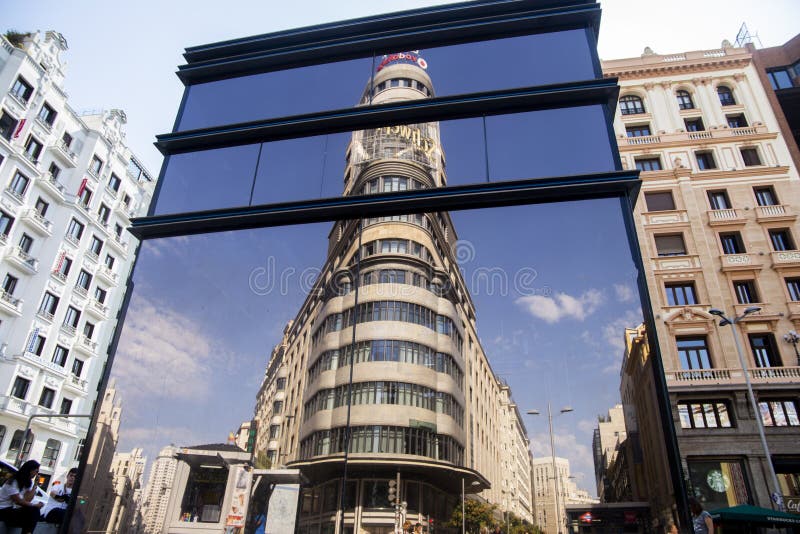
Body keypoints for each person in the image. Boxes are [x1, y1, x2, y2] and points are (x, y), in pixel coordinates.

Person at [0, 459, 43, 534]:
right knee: (33, 510)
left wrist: (35, 484)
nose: (37, 474)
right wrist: (34, 505)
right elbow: (18, 501)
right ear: (30, 470)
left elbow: (27, 500)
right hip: (3, 510)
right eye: (36, 471)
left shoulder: (27, 482)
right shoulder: (13, 481)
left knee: (34, 511)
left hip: (11, 510)